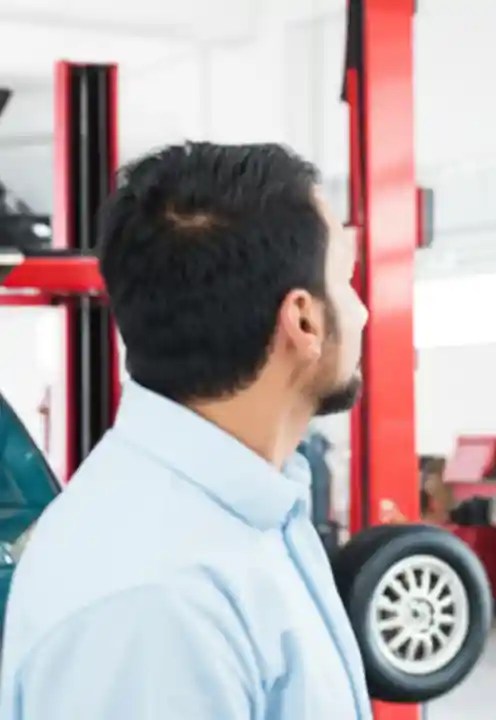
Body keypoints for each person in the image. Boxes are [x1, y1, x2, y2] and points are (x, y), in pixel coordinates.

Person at [0, 142, 372, 720]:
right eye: (348, 281)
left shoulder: (246, 516)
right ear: (303, 320)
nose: (364, 310)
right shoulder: (153, 605)